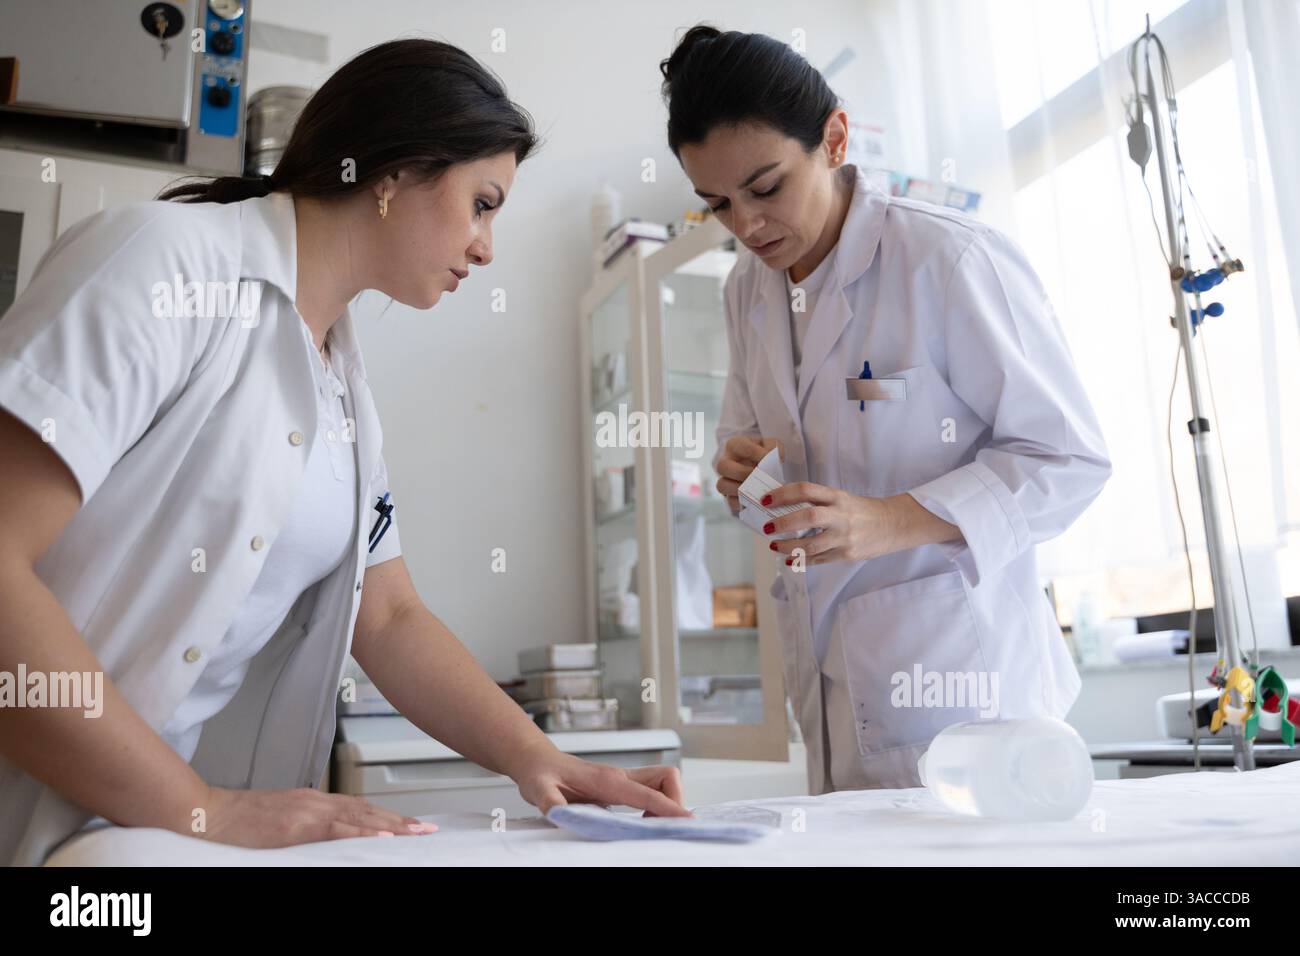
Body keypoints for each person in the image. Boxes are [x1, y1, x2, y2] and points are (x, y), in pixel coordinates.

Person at [0, 38, 687, 867]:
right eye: (482, 202)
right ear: (392, 175)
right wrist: (200, 810)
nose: (486, 247)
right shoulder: (161, 263)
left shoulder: (340, 384)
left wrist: (540, 758)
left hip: (125, 830)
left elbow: (390, 616)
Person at [659, 26, 1112, 793]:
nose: (747, 225)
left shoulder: (948, 259)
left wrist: (890, 520)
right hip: (829, 685)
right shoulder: (748, 288)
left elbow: (1068, 459)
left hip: (966, 692)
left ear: (833, 138)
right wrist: (743, 474)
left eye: (765, 188)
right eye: (717, 205)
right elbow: (752, 442)